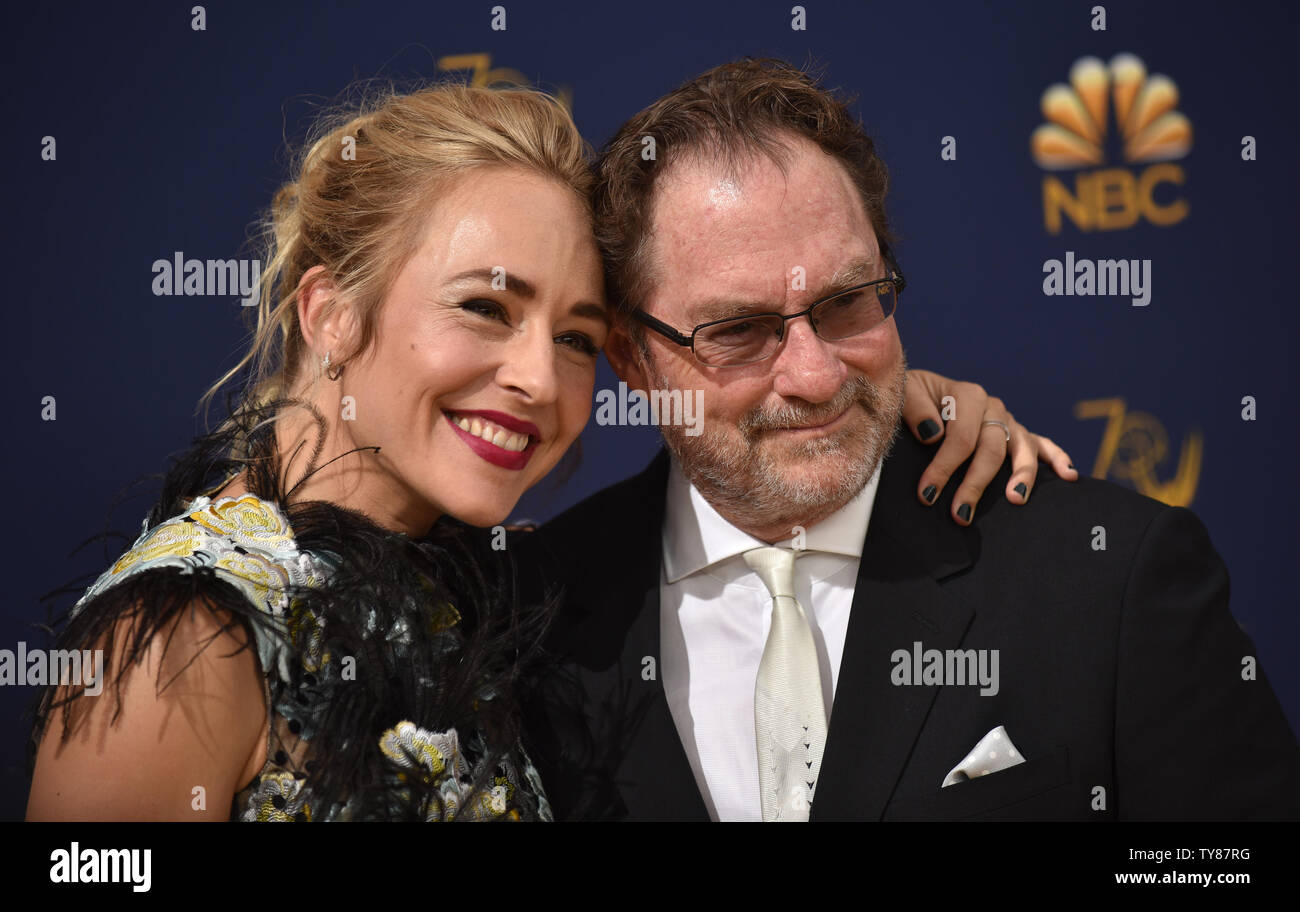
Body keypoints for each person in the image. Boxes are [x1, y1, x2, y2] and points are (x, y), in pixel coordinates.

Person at [24, 80, 1063, 822]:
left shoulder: (496, 597)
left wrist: (871, 402)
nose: (537, 376)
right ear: (331, 315)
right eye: (485, 306)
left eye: (573, 337)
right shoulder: (183, 639)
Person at [517, 59, 1300, 821]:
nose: (816, 376)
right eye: (740, 330)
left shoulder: (1112, 578)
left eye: (849, 302)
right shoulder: (527, 623)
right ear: (631, 356)